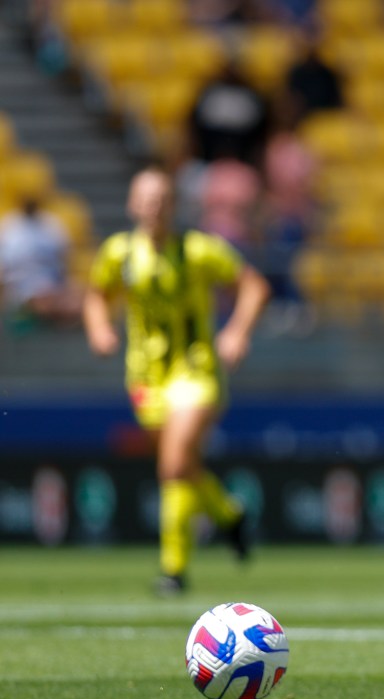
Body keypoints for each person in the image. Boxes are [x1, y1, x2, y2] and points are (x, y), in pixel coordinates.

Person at [83, 167, 272, 595]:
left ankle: (174, 569)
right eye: (146, 199)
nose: (154, 207)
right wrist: (98, 328)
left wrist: (237, 331)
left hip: (196, 370)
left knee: (172, 464)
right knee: (181, 465)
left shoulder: (199, 249)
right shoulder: (120, 253)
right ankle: (229, 516)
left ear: (174, 205)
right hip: (146, 376)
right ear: (132, 205)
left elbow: (254, 286)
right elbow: (96, 294)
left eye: (162, 199)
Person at [0, 195, 82, 332]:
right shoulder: (9, 225)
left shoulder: (50, 223)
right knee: (44, 300)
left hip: (51, 282)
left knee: (79, 297)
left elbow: (63, 254)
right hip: (19, 285)